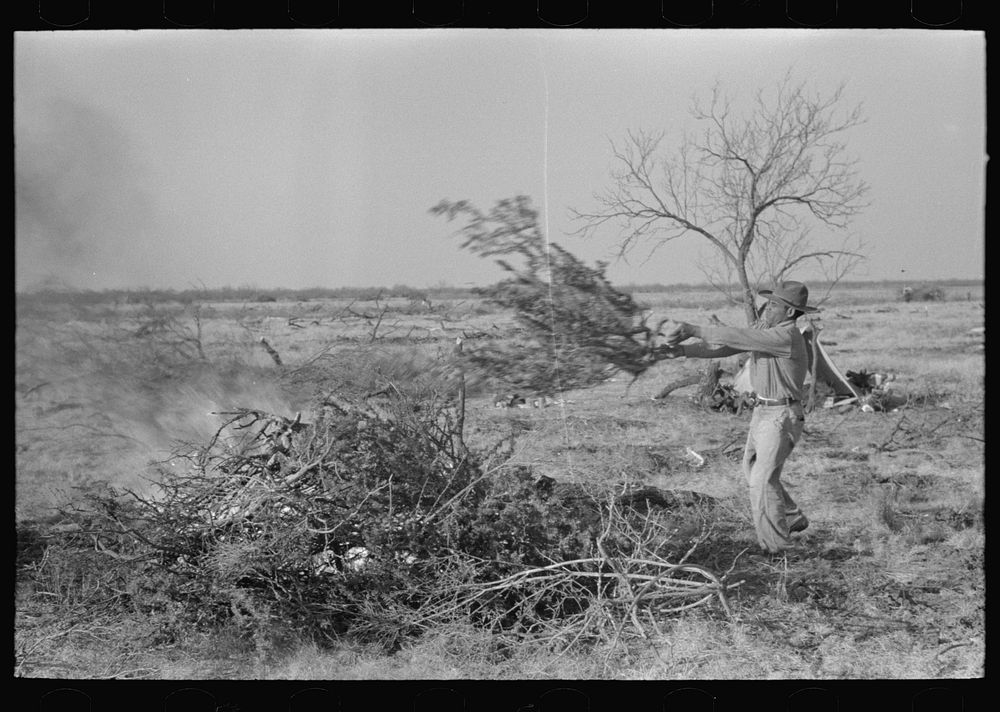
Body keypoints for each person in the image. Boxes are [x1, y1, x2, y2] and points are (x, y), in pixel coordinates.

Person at [661, 281, 818, 554]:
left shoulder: (786, 336)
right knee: (753, 469)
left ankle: (778, 549)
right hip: (764, 412)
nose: (768, 309)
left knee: (761, 482)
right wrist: (684, 351)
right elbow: (729, 347)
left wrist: (694, 330)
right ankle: (791, 516)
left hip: (780, 416)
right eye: (769, 303)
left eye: (775, 306)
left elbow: (735, 336)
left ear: (791, 312)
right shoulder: (768, 333)